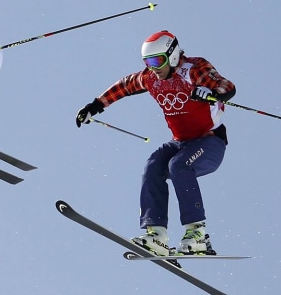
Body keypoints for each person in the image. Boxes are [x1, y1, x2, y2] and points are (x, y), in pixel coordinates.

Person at [74, 30, 236, 256]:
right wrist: (95, 106)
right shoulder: (151, 78)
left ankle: (197, 234)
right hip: (181, 143)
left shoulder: (193, 69)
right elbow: (125, 85)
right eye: (148, 62)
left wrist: (210, 92)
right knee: (153, 165)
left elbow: (226, 86)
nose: (153, 67)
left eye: (157, 60)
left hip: (210, 142)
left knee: (178, 166)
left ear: (172, 54)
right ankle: (156, 235)